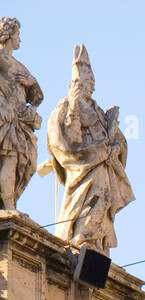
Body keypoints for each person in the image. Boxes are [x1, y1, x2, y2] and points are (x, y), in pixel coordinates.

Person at [46, 44, 134, 253]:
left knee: (102, 199)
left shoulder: (99, 111)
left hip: (102, 164)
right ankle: (81, 238)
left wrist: (115, 147)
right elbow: (68, 139)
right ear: (74, 83)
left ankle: (95, 242)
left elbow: (120, 140)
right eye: (85, 82)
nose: (90, 86)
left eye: (91, 83)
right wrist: (74, 108)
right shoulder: (66, 106)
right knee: (83, 203)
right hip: (83, 165)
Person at [0, 17, 42, 211]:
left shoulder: (20, 67)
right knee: (10, 158)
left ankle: (10, 200)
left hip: (21, 119)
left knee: (28, 163)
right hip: (5, 116)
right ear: (9, 35)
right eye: (18, 34)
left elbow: (37, 98)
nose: (20, 38)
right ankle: (8, 204)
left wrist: (31, 82)